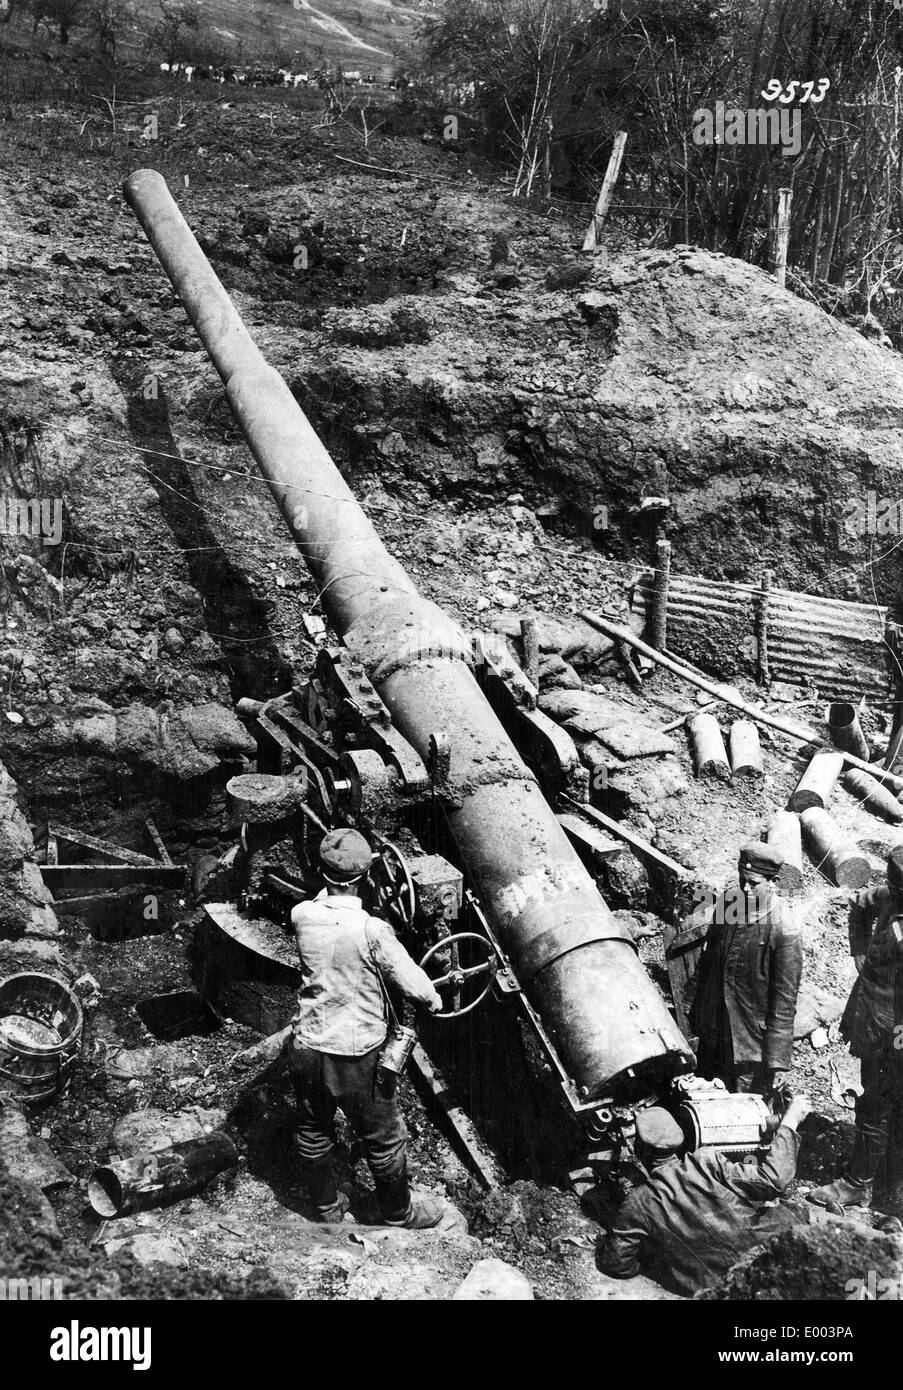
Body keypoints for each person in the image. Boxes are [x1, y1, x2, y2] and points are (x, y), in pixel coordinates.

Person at [289, 827, 447, 1227]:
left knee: (313, 1131)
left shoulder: (301, 915)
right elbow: (419, 990)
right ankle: (399, 1214)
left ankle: (327, 1211)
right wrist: (437, 998)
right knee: (384, 1138)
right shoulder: (371, 929)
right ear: (363, 877)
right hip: (356, 1054)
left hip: (307, 1046)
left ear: (322, 872)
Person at [595, 1095, 811, 1296]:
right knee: (792, 1211)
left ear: (640, 1149)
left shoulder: (638, 1202)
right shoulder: (706, 1160)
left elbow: (616, 1263)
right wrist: (789, 1122)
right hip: (772, 1253)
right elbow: (773, 1179)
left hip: (723, 1285)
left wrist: (660, 1256)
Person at [809, 847, 903, 1211]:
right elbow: (861, 904)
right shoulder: (887, 898)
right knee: (874, 1104)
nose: (892, 892)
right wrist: (859, 952)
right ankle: (864, 1182)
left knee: (884, 1107)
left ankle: (873, 1187)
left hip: (895, 1036)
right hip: (873, 1022)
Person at [687, 840, 802, 1096]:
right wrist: (691, 1009)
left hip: (748, 1043)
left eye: (753, 883)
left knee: (742, 1105)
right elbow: (709, 958)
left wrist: (778, 1061)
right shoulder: (730, 903)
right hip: (714, 1030)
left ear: (774, 882)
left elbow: (784, 1001)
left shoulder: (784, 929)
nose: (745, 889)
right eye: (742, 880)